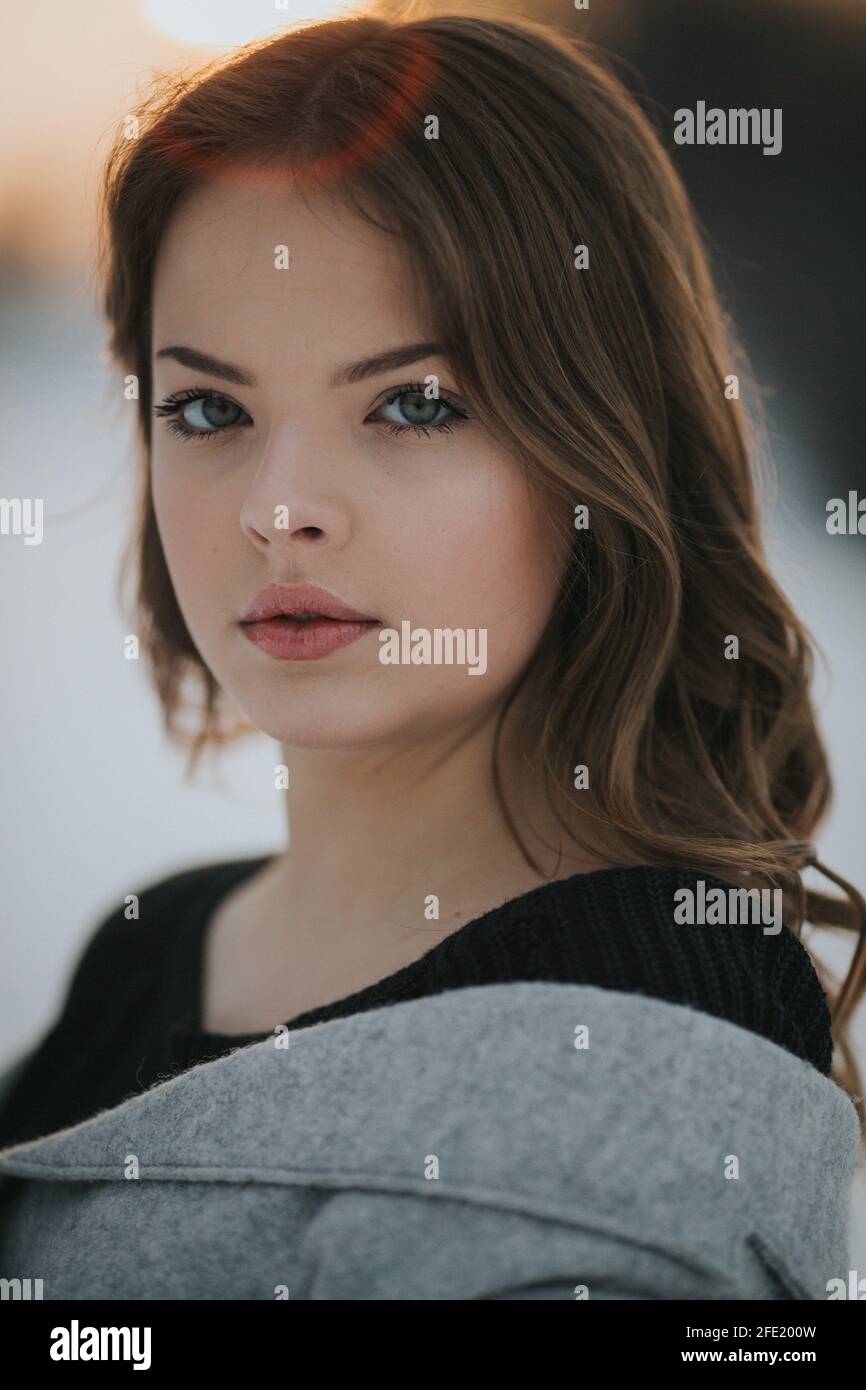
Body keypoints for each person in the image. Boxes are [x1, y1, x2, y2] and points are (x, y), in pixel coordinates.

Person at [0, 8, 863, 1300]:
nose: (277, 506)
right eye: (209, 407)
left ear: (599, 444)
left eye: (412, 403)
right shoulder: (147, 946)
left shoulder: (653, 1026)